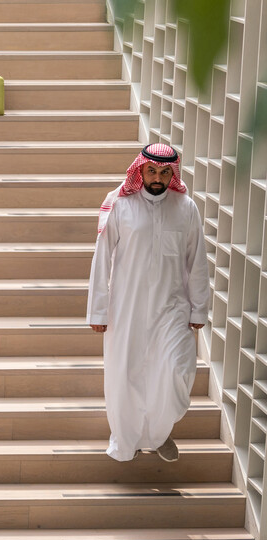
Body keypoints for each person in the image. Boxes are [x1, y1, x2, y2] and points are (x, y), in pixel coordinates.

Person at [87, 143, 211, 462]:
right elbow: (102, 258)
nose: (158, 178)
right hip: (126, 306)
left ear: (173, 174)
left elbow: (197, 261)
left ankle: (158, 431)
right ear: (140, 170)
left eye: (165, 172)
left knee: (178, 370)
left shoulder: (186, 207)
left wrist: (199, 307)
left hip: (173, 307)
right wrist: (98, 311)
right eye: (152, 171)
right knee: (126, 375)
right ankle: (127, 439)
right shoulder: (120, 204)